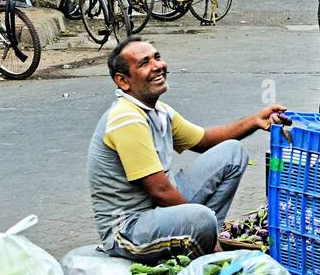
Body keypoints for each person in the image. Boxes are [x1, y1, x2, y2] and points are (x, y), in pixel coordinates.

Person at [89, 38, 290, 262]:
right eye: (144, 63)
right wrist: (204, 227)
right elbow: (160, 192)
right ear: (123, 81)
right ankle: (207, 252)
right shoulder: (126, 119)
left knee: (233, 153)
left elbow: (204, 140)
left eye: (157, 57)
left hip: (157, 211)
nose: (158, 65)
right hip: (128, 229)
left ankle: (203, 240)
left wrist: (254, 120)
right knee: (202, 219)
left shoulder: (159, 111)